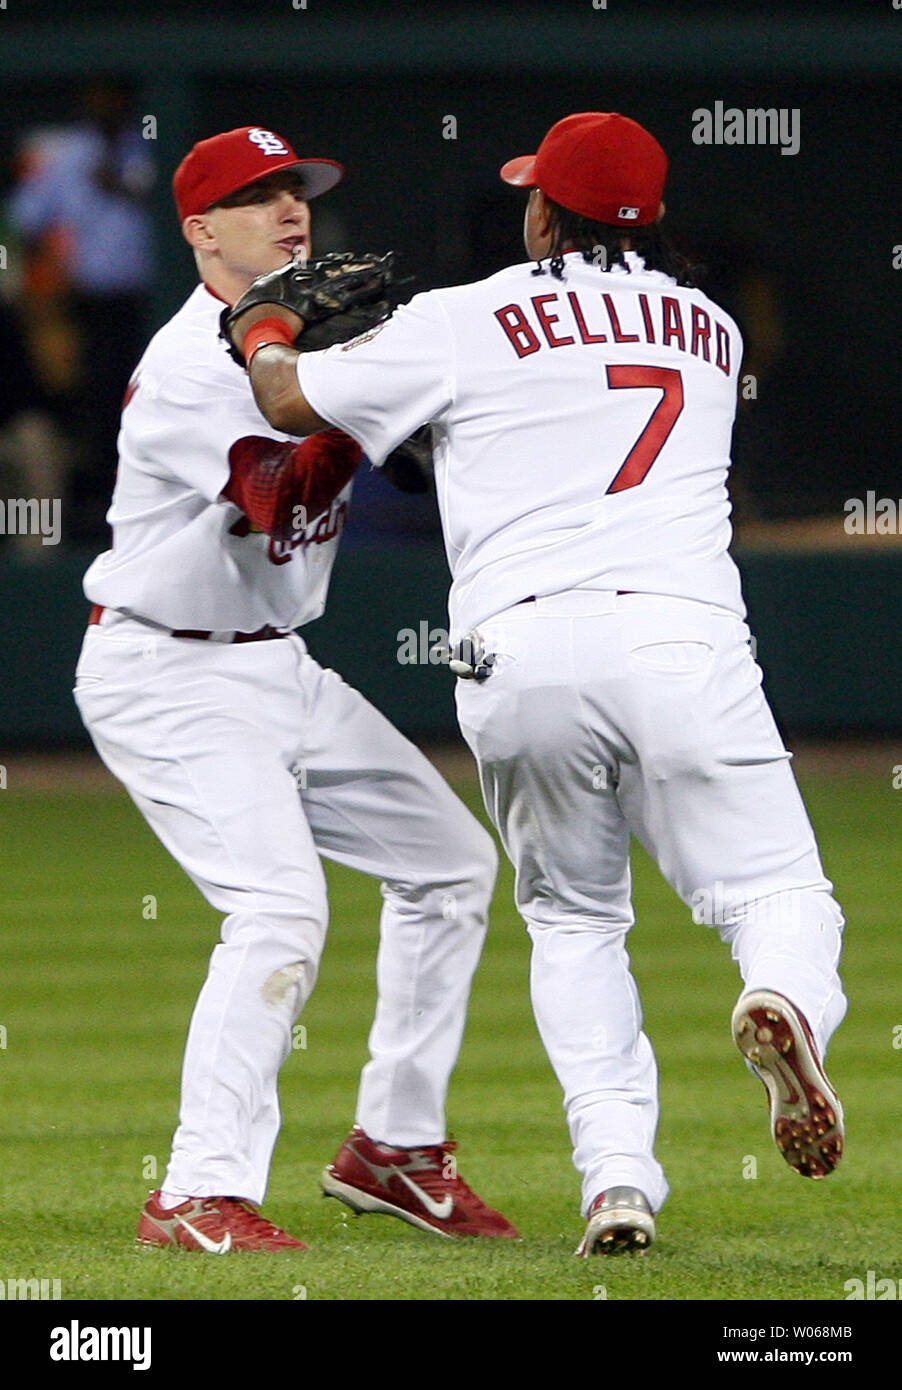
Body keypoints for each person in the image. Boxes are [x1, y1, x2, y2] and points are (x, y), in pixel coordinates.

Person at [225, 112, 847, 1256]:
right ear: (648, 220)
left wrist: (262, 324)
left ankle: (616, 1179)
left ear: (541, 212)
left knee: (571, 920)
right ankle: (783, 1003)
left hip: (513, 654)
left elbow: (286, 402)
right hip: (679, 638)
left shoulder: (461, 319)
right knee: (777, 894)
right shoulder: (709, 330)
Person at [73, 125, 518, 1252]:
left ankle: (395, 1149)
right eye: (258, 195)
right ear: (198, 230)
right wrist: (360, 405)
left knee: (451, 865)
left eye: (297, 190)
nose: (289, 209)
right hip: (164, 669)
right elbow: (276, 492)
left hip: (274, 660)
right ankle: (193, 1191)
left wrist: (375, 387)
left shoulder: (302, 350)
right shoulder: (189, 363)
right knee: (276, 911)